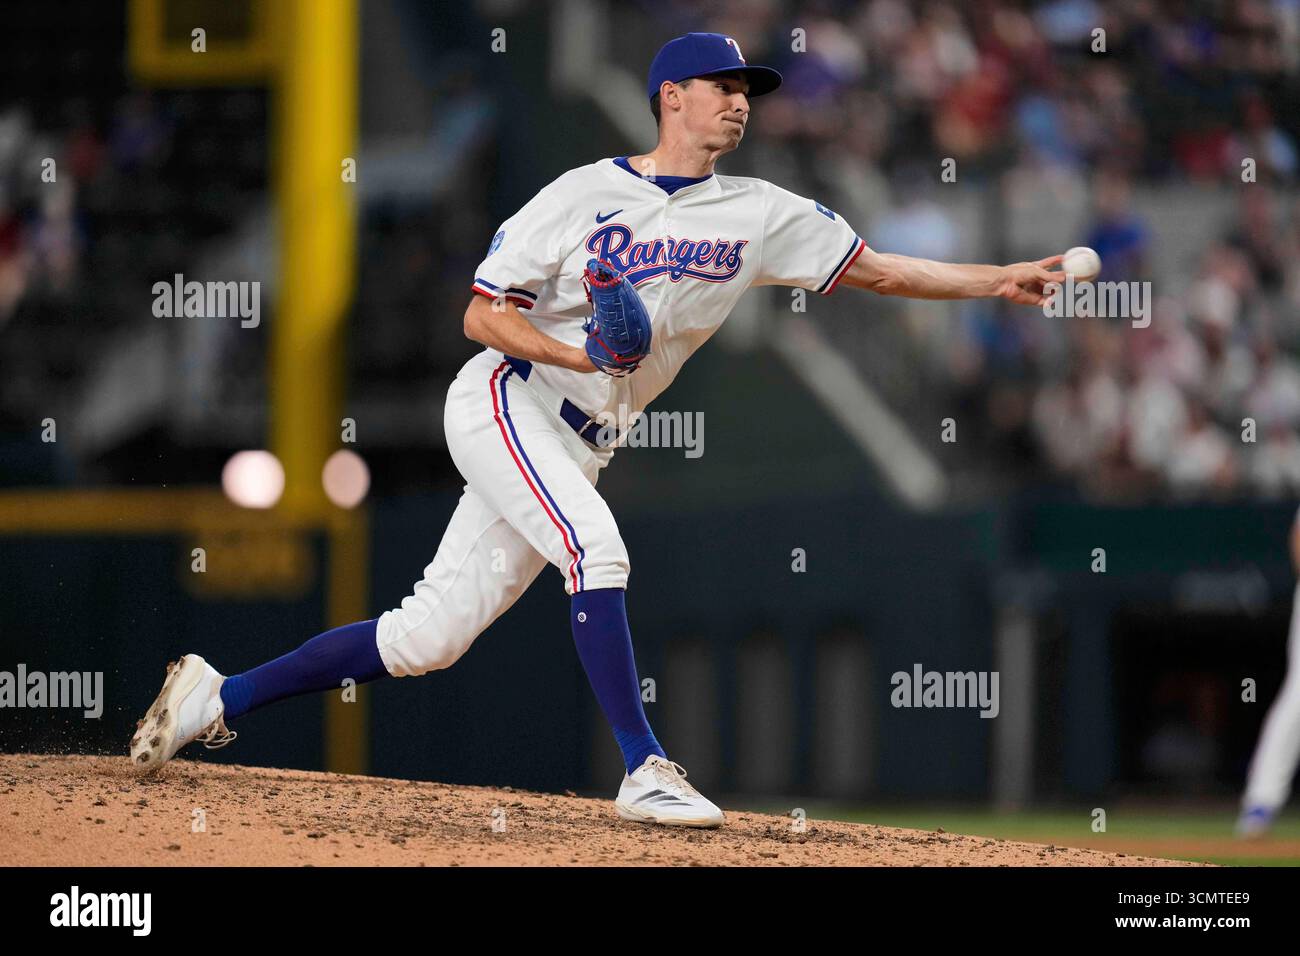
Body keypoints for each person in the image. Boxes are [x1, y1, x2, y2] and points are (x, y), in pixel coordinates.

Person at [130, 33, 1068, 828]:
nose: (740, 104)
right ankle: (644, 768)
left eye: (748, 91)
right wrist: (574, 356)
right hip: (509, 397)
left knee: (428, 639)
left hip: (583, 438)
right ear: (671, 97)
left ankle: (220, 694)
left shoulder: (759, 213)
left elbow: (880, 269)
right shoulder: (579, 193)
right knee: (598, 545)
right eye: (723, 88)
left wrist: (998, 278)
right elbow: (482, 315)